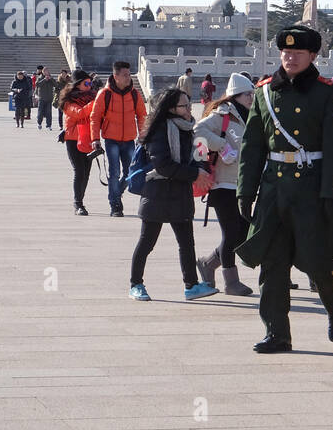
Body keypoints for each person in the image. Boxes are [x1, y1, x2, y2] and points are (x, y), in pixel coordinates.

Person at [236, 25, 333, 354]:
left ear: (313, 56)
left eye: (298, 52)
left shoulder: (327, 92)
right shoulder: (265, 91)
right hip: (274, 190)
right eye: (286, 52)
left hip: (311, 190)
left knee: (317, 261)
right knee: (273, 264)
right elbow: (253, 144)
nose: (290, 56)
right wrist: (246, 190)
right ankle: (277, 332)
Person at [129, 86, 218, 302]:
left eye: (189, 103)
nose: (190, 108)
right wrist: (194, 172)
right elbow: (163, 166)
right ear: (171, 109)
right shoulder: (158, 131)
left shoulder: (192, 129)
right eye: (184, 105)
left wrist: (203, 169)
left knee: (187, 242)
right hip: (157, 192)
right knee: (147, 242)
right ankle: (136, 284)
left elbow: (202, 156)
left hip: (180, 192)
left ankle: (191, 285)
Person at [194, 73, 258, 296]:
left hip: (243, 184)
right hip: (222, 184)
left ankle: (208, 263)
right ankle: (231, 281)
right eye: (247, 94)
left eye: (252, 93)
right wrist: (222, 147)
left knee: (242, 234)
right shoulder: (222, 115)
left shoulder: (250, 115)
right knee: (231, 234)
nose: (251, 97)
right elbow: (197, 135)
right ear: (235, 96)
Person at [90, 60, 148, 217]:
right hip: (111, 140)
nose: (128, 78)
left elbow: (142, 115)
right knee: (114, 172)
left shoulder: (134, 94)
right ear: (115, 76)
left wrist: (142, 135)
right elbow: (95, 117)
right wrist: (95, 139)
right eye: (125, 75)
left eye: (129, 74)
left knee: (132, 172)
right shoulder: (105, 94)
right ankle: (115, 204)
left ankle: (117, 191)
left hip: (129, 140)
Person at [59, 70, 98, 215]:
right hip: (73, 140)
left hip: (88, 138)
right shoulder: (69, 102)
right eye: (86, 83)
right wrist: (95, 103)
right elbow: (80, 113)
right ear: (77, 85)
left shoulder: (93, 97)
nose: (89, 86)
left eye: (90, 83)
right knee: (79, 170)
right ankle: (78, 204)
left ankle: (80, 200)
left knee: (86, 173)